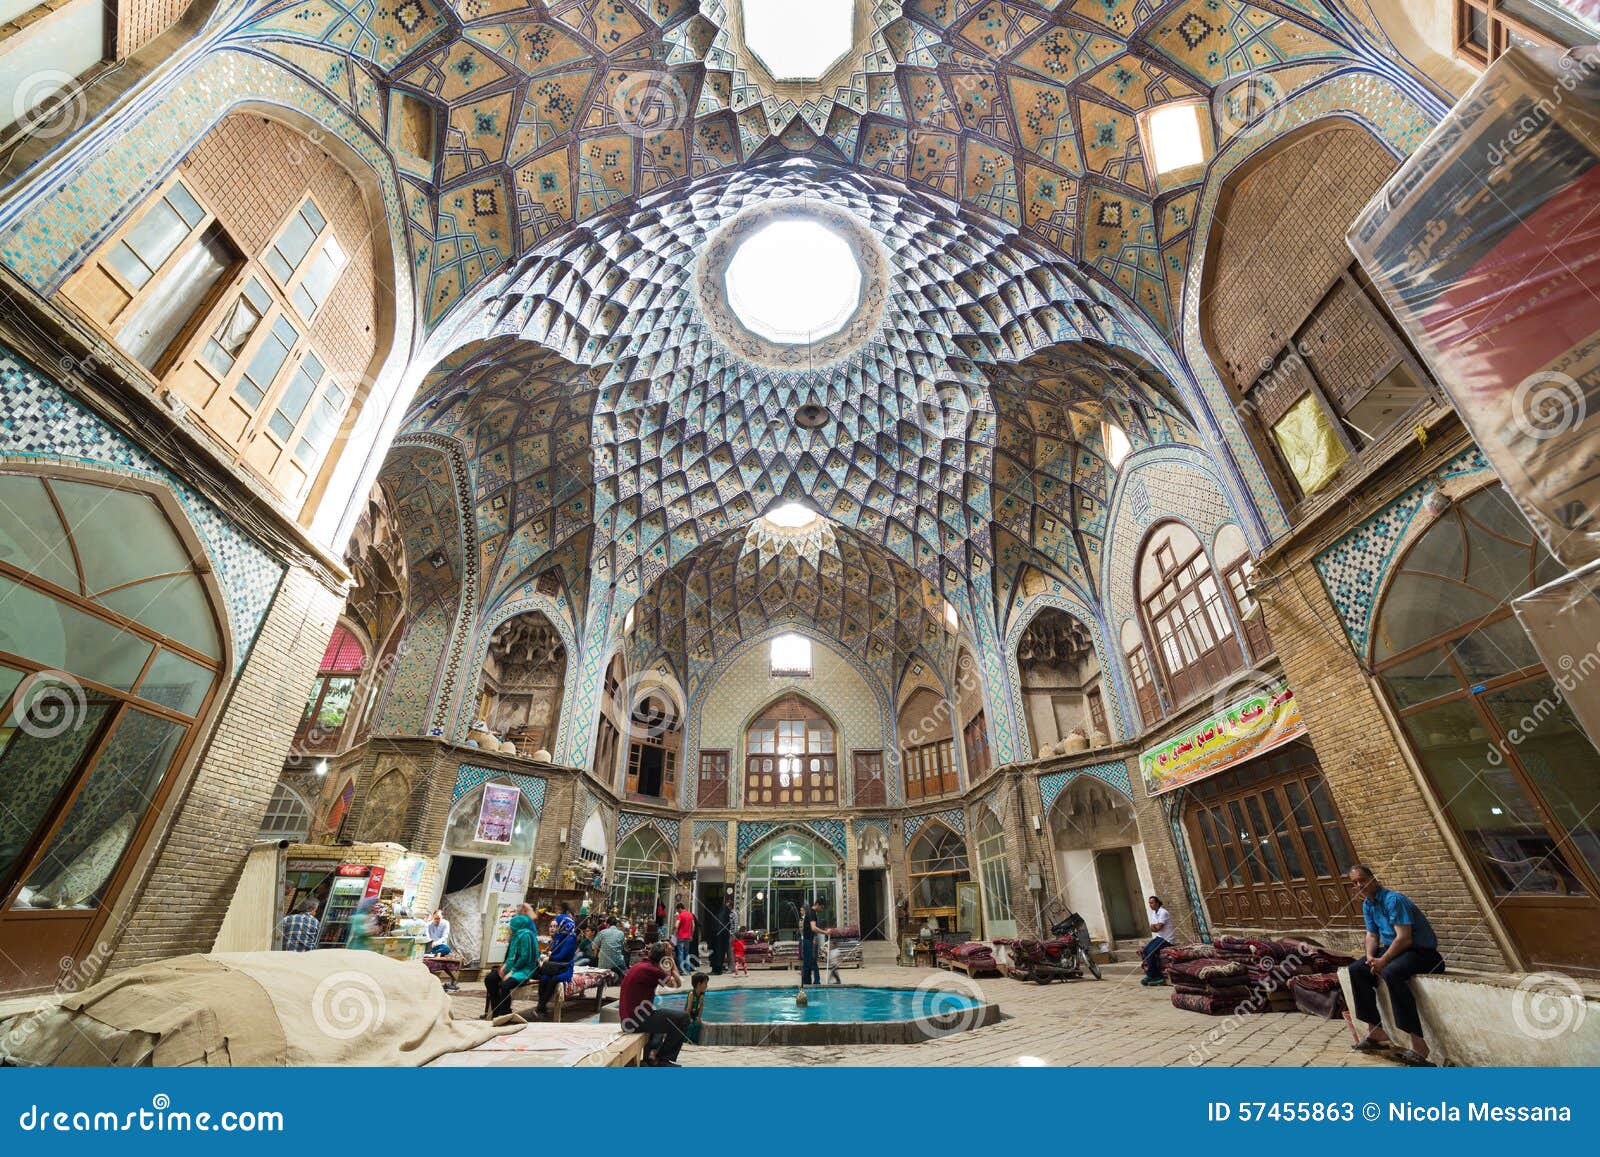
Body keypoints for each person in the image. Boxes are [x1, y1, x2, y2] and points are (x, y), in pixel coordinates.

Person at [1345, 864, 1445, 1065]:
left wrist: (1383, 961)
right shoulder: (1368, 904)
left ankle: (1419, 1045)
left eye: (1362, 880)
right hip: (1395, 950)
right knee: (1357, 969)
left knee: (1391, 972)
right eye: (1355, 883)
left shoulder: (1394, 900)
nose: (1359, 885)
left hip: (1421, 953)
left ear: (1373, 879)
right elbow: (1372, 934)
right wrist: (1370, 957)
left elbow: (1404, 938)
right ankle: (1376, 1033)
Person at [619, 944, 690, 1067]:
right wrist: (671, 960)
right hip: (636, 1022)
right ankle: (663, 1059)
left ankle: (650, 1057)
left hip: (628, 1021)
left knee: (661, 1015)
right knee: (683, 1018)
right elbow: (676, 984)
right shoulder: (652, 970)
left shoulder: (640, 966)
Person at [484, 910, 540, 1021]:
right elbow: (511, 956)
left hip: (523, 970)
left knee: (505, 985)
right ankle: (496, 1011)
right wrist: (505, 966)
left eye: (512, 924)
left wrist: (512, 971)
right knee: (490, 979)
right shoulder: (516, 935)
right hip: (513, 968)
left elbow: (524, 957)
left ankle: (505, 1014)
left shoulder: (525, 936)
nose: (510, 926)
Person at [536, 902, 578, 1018]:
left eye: (556, 925)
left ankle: (541, 1006)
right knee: (544, 979)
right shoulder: (557, 937)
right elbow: (552, 951)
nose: (554, 927)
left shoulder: (570, 939)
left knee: (554, 979)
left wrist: (550, 957)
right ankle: (542, 1007)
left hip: (564, 969)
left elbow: (562, 956)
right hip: (554, 967)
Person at [1139, 895, 1177, 987]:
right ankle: (1151, 974)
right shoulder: (1153, 914)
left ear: (1157, 903)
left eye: (1152, 903)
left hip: (1167, 939)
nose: (1150, 905)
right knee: (1146, 950)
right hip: (1159, 937)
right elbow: (1152, 928)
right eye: (1149, 903)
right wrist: (1155, 927)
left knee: (1151, 951)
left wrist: (1155, 927)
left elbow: (1158, 928)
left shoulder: (1163, 912)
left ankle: (1156, 976)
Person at [799, 900, 824, 986]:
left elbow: (810, 929)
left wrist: (814, 937)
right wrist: (825, 932)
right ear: (817, 905)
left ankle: (811, 982)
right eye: (822, 907)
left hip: (809, 940)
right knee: (809, 962)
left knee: (811, 961)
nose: (822, 909)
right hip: (807, 941)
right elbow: (813, 928)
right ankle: (809, 983)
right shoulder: (811, 913)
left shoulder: (810, 913)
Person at [685, 970, 709, 1044]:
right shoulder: (692, 994)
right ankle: (687, 1040)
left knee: (698, 1025)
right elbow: (688, 1008)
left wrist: (699, 1017)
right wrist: (689, 1019)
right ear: (699, 984)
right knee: (691, 1026)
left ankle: (694, 1041)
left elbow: (701, 1006)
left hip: (695, 1015)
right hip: (687, 1015)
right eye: (705, 983)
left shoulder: (702, 994)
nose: (707, 985)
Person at [673, 901, 696, 971]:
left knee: (680, 953)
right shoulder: (690, 915)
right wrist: (691, 935)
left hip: (680, 937)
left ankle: (681, 970)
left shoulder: (680, 915)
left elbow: (676, 925)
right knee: (687, 953)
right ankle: (688, 969)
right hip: (687, 937)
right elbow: (693, 926)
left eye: (677, 910)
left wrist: (673, 931)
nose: (678, 911)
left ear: (679, 908)